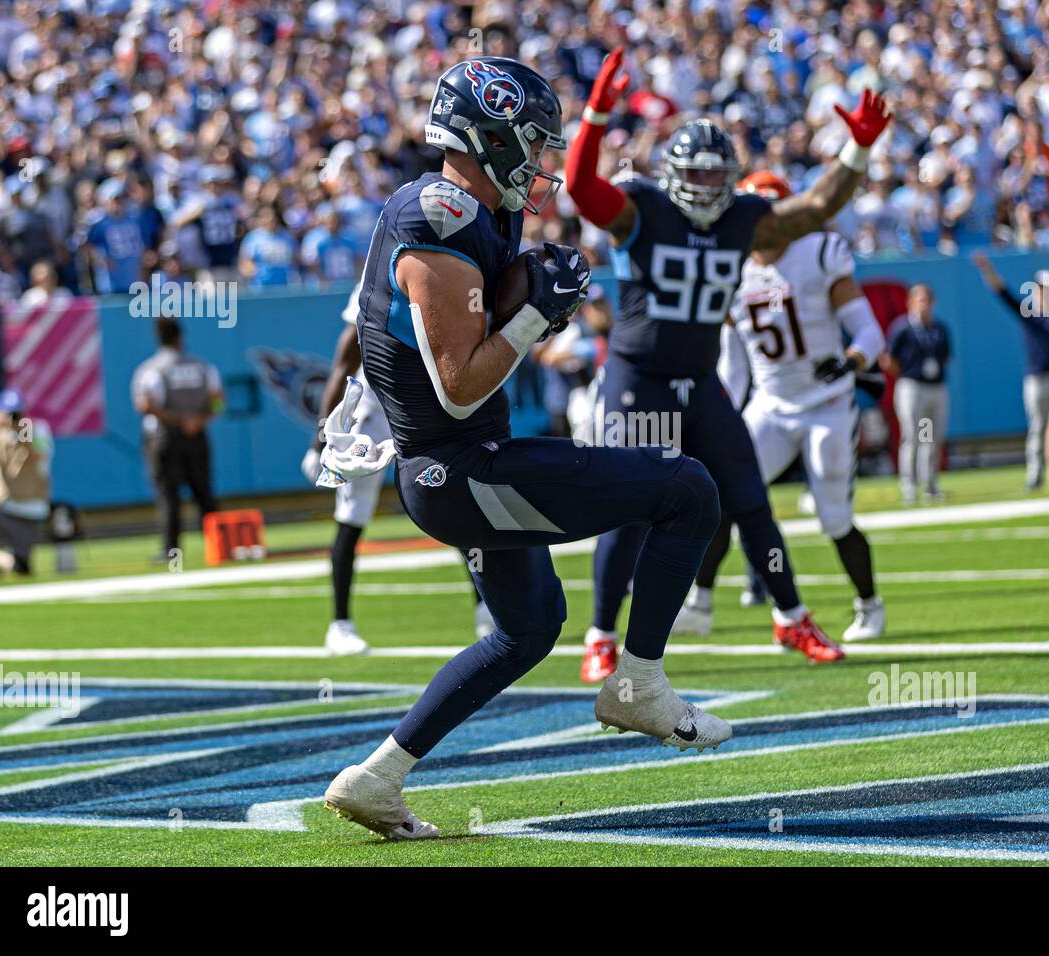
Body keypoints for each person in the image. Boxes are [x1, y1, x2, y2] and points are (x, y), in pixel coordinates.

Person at [323, 57, 731, 842]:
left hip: (470, 459)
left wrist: (535, 301)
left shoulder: (478, 209)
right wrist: (532, 318)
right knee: (688, 489)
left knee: (529, 624)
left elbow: (487, 341)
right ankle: (639, 682)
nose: (541, 159)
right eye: (533, 140)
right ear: (490, 133)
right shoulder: (437, 213)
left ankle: (376, 778)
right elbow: (460, 386)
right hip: (456, 467)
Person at [565, 48, 892, 678]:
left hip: (701, 382)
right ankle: (602, 634)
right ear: (675, 173)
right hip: (642, 382)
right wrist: (598, 114)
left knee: (749, 500)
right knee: (634, 509)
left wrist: (856, 153)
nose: (712, 187)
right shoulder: (644, 211)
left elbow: (816, 208)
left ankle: (791, 618)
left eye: (721, 176)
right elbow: (581, 188)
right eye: (702, 175)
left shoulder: (744, 219)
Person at [677, 171, 887, 642]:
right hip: (770, 405)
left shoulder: (819, 253)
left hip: (825, 402)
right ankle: (701, 603)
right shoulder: (733, 269)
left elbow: (870, 331)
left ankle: (869, 605)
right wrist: (719, 411)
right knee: (722, 495)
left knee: (833, 515)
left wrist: (850, 361)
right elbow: (733, 362)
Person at [302, 275, 495, 655]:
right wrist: (319, 439)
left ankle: (485, 607)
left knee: (452, 501)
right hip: (373, 407)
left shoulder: (446, 270)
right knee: (353, 516)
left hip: (423, 404)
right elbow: (346, 359)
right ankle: (339, 624)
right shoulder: (377, 278)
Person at [972, 253, 1049, 491]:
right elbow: (1003, 292)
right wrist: (987, 269)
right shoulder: (1028, 312)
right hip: (1037, 378)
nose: (1045, 292)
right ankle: (1035, 474)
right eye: (1041, 289)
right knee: (1037, 428)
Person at [130, 318, 223, 560]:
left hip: (164, 438)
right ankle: (220, 544)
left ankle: (171, 551)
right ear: (180, 337)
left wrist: (177, 420)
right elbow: (218, 399)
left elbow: (145, 404)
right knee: (204, 492)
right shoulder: (203, 366)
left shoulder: (152, 369)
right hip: (197, 435)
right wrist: (199, 420)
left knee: (168, 496)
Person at [882, 283, 951, 503]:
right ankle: (909, 485)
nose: (924, 305)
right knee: (911, 436)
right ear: (910, 302)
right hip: (913, 387)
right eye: (920, 300)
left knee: (929, 438)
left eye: (927, 300)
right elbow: (889, 360)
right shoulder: (902, 328)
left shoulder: (939, 328)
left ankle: (929, 483)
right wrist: (907, 373)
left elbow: (946, 357)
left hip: (934, 387)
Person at [0, 389, 53, 575]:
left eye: (16, 412)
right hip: (2, 503)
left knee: (23, 568)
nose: (12, 417)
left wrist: (21, 428)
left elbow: (35, 456)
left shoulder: (36, 428)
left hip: (29, 507)